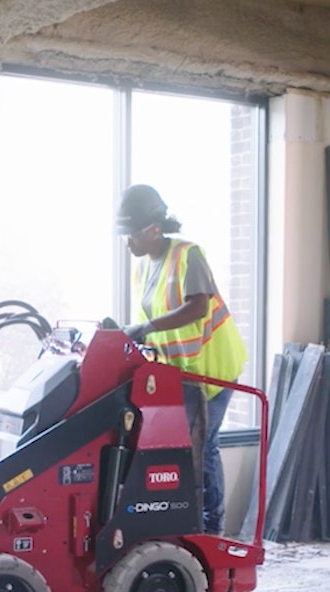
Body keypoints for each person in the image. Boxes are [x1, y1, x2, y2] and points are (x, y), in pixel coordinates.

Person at [115, 184, 247, 536]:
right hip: (183, 373)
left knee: (202, 448)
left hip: (213, 369)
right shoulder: (143, 267)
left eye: (132, 235)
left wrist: (145, 327)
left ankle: (211, 528)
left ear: (154, 229)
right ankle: (183, 522)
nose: (128, 242)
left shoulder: (188, 255)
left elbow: (198, 306)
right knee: (176, 447)